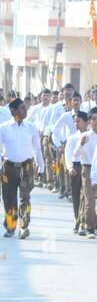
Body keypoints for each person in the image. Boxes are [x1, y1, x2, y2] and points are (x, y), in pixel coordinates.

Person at [1, 97, 43, 238]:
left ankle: (24, 226)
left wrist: (41, 166)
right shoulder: (4, 128)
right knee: (9, 199)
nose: (25, 110)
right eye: (22, 108)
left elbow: (37, 149)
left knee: (25, 197)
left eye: (25, 107)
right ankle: (11, 226)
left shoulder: (31, 128)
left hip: (27, 167)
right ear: (13, 110)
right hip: (8, 168)